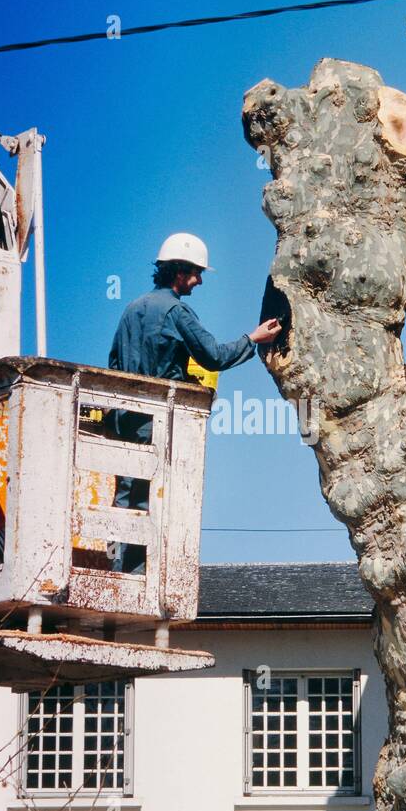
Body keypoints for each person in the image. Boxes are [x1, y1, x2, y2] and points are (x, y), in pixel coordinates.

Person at [107, 233, 281, 572]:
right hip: (153, 423)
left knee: (124, 500)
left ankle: (115, 573)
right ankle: (140, 578)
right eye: (196, 273)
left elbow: (114, 364)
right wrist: (254, 338)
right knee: (152, 503)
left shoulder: (132, 309)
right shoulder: (175, 311)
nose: (199, 281)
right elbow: (213, 356)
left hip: (123, 421)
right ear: (179, 271)